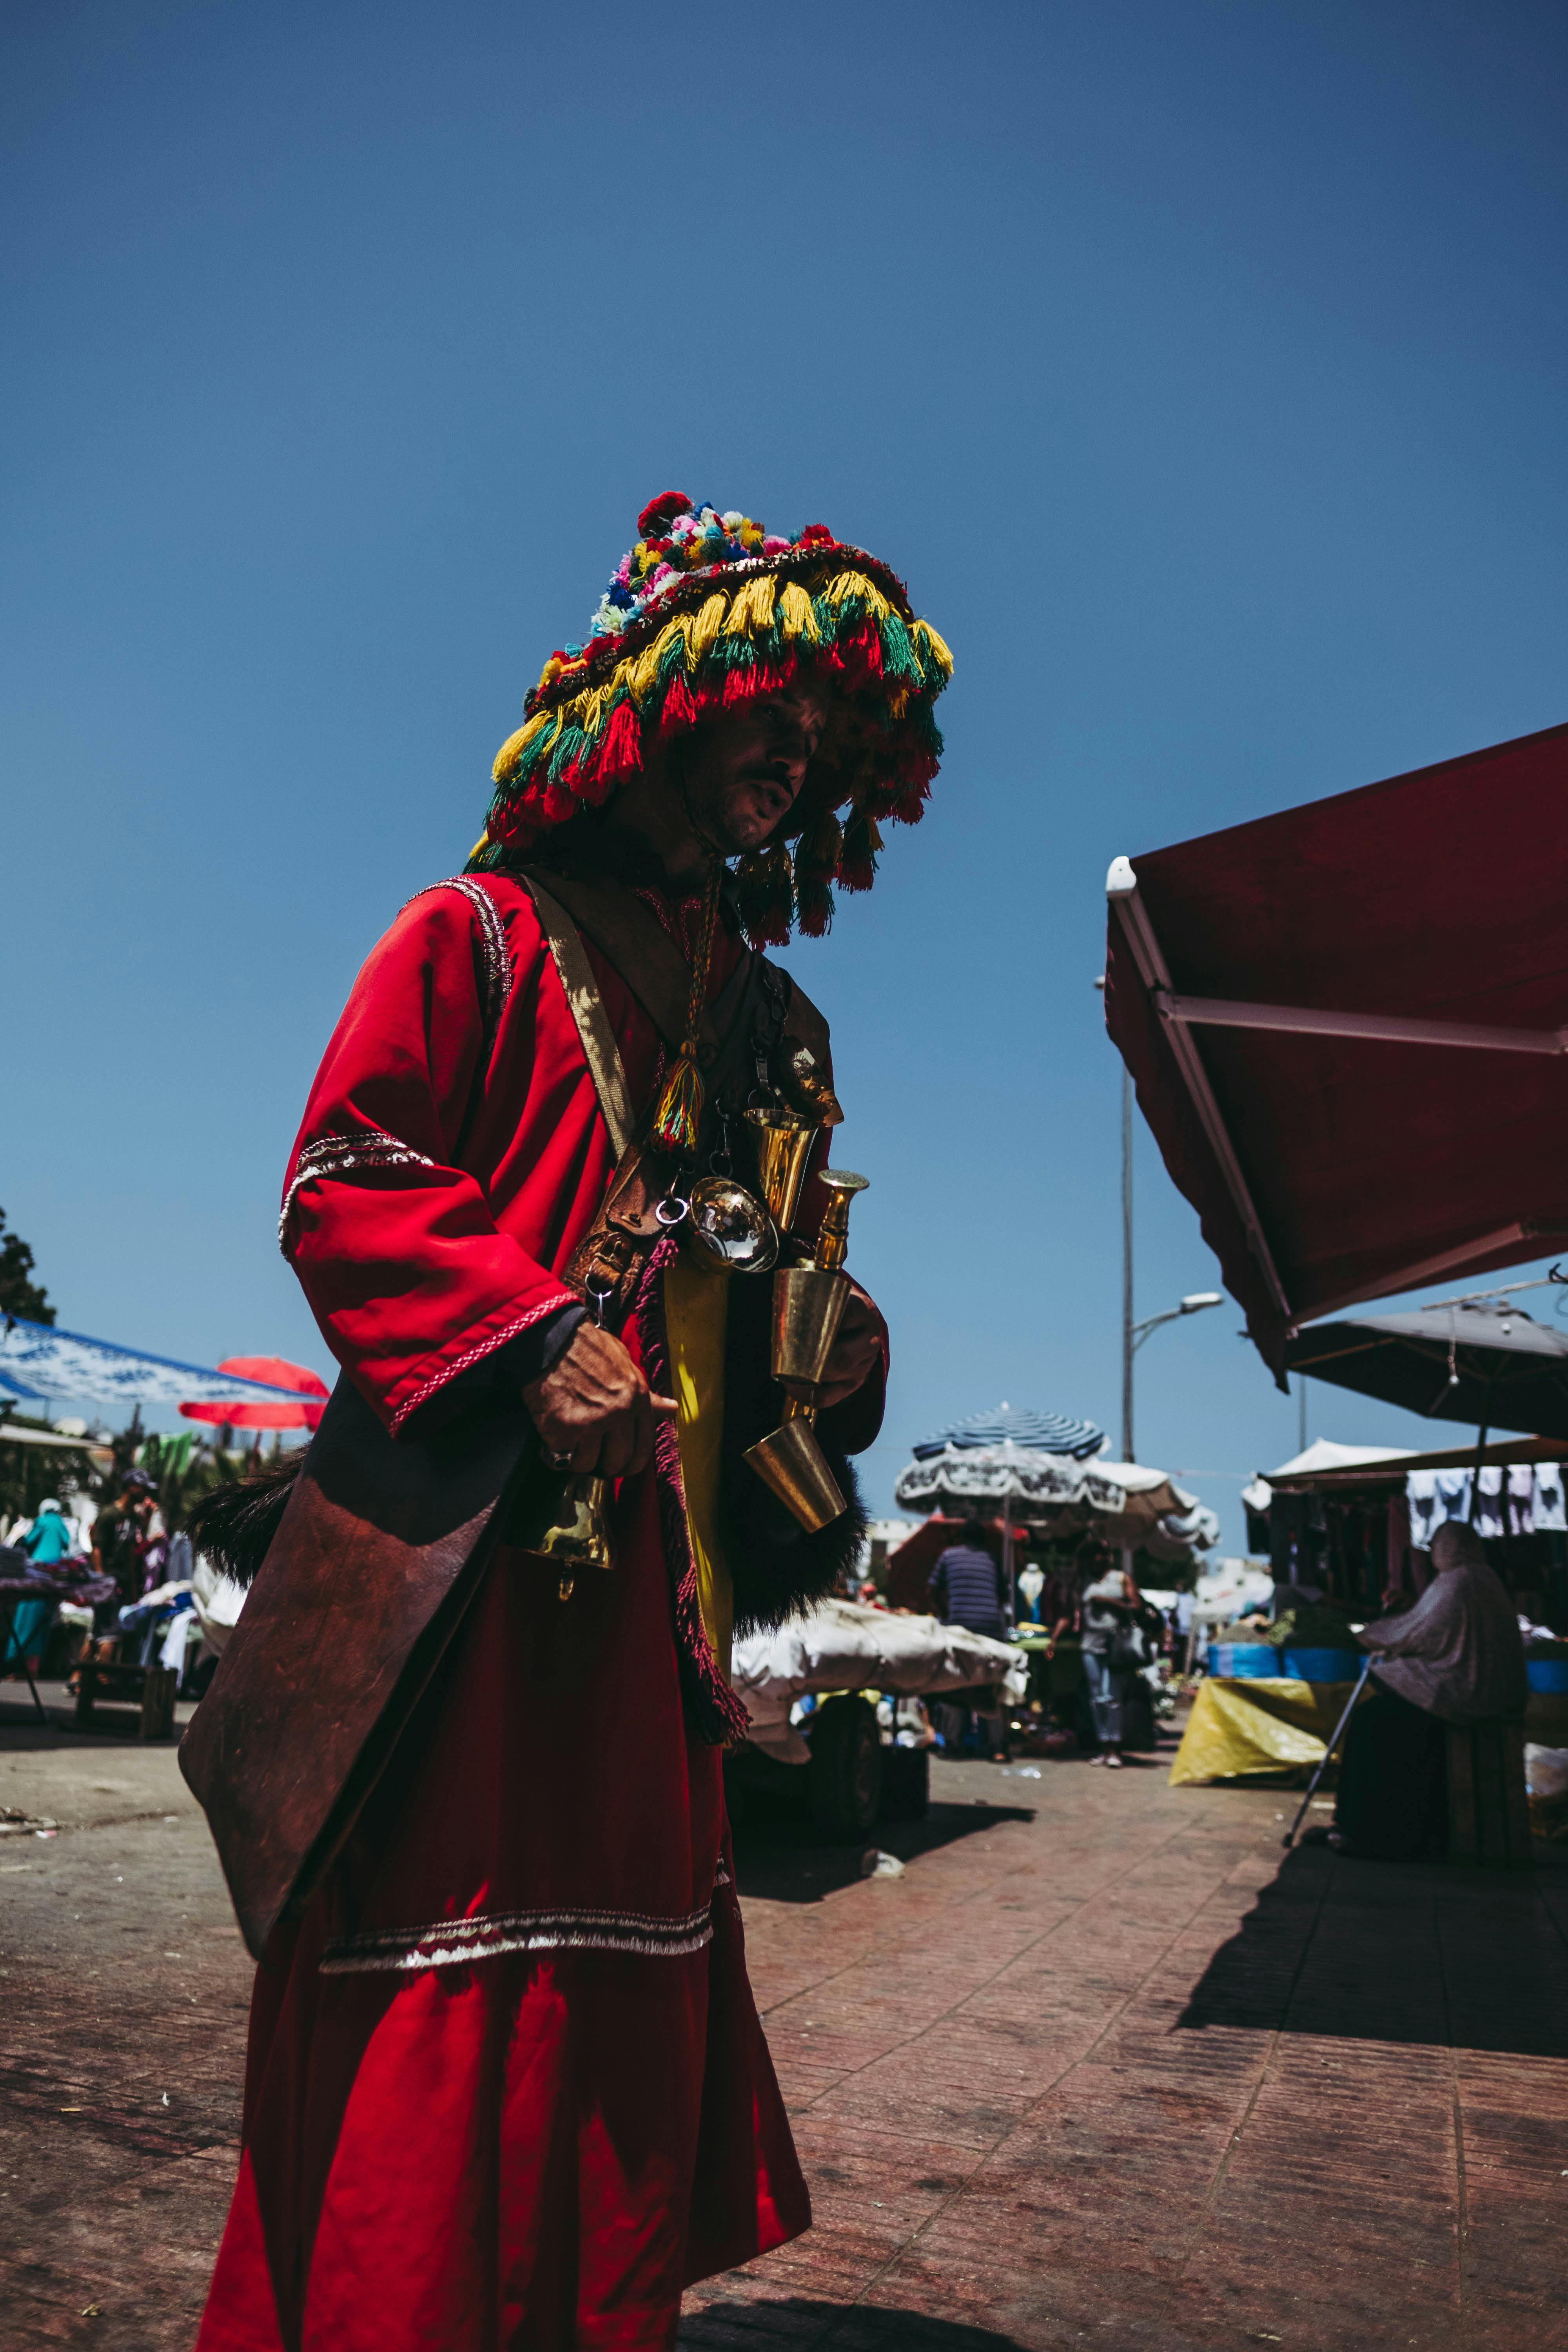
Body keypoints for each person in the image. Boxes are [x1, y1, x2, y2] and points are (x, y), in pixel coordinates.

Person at [187, 494, 951, 2352]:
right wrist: (528, 1333)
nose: (784, 758)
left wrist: (830, 1354)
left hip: (647, 1608)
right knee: (430, 1962)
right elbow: (344, 1173)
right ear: (648, 704)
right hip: (454, 1586)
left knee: (614, 1990)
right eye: (760, 711)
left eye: (812, 743)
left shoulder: (771, 1018)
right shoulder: (474, 936)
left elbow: (766, 1277)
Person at [1323, 1519, 1527, 1860]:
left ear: (1447, 1548)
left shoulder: (1458, 1581)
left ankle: (1372, 1830)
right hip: (1494, 1693)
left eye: (1436, 1547)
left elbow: (1420, 1632)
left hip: (1464, 1694)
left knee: (1372, 1721)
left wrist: (1373, 1634)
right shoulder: (1487, 1579)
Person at [930, 1519, 1012, 1760]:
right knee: (990, 1684)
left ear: (962, 1538)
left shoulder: (948, 1556)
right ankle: (997, 1748)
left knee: (956, 1682)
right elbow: (1002, 1595)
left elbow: (932, 1590)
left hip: (960, 1628)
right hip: (992, 1629)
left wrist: (945, 1616)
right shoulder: (992, 1559)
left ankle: (953, 1743)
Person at [1079, 1555, 1140, 1767]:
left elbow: (1136, 1605)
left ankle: (1115, 1747)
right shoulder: (1085, 1581)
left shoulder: (1120, 1578)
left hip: (1115, 1645)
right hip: (1090, 1644)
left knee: (1112, 1696)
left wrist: (1109, 1602)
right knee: (1096, 1697)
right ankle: (1103, 1746)